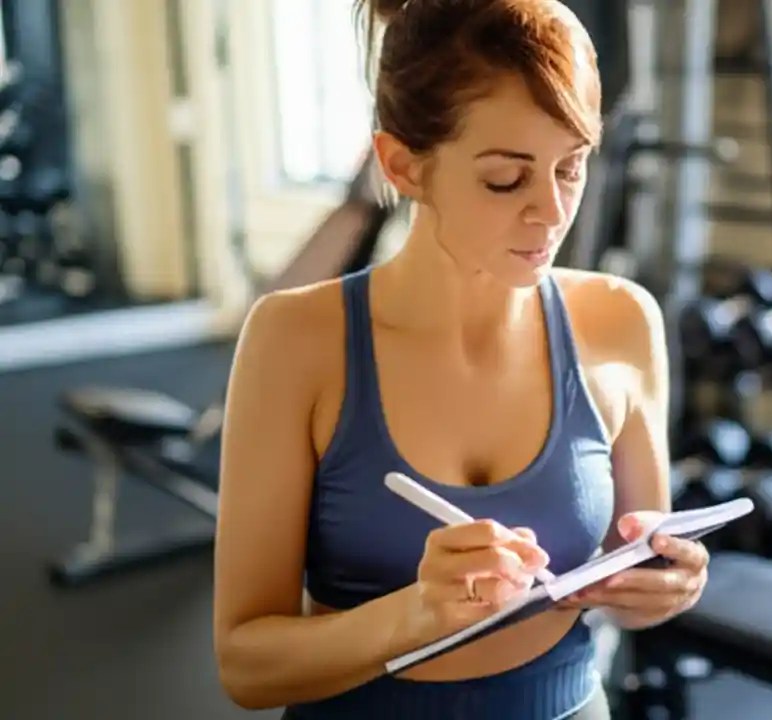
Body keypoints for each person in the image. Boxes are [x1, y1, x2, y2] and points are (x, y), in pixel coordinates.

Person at [211, 1, 711, 718]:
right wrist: (414, 618)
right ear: (402, 164)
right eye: (506, 179)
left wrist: (666, 587)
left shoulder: (621, 321)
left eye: (571, 168)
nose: (550, 211)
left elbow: (633, 572)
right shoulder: (295, 340)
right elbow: (244, 665)